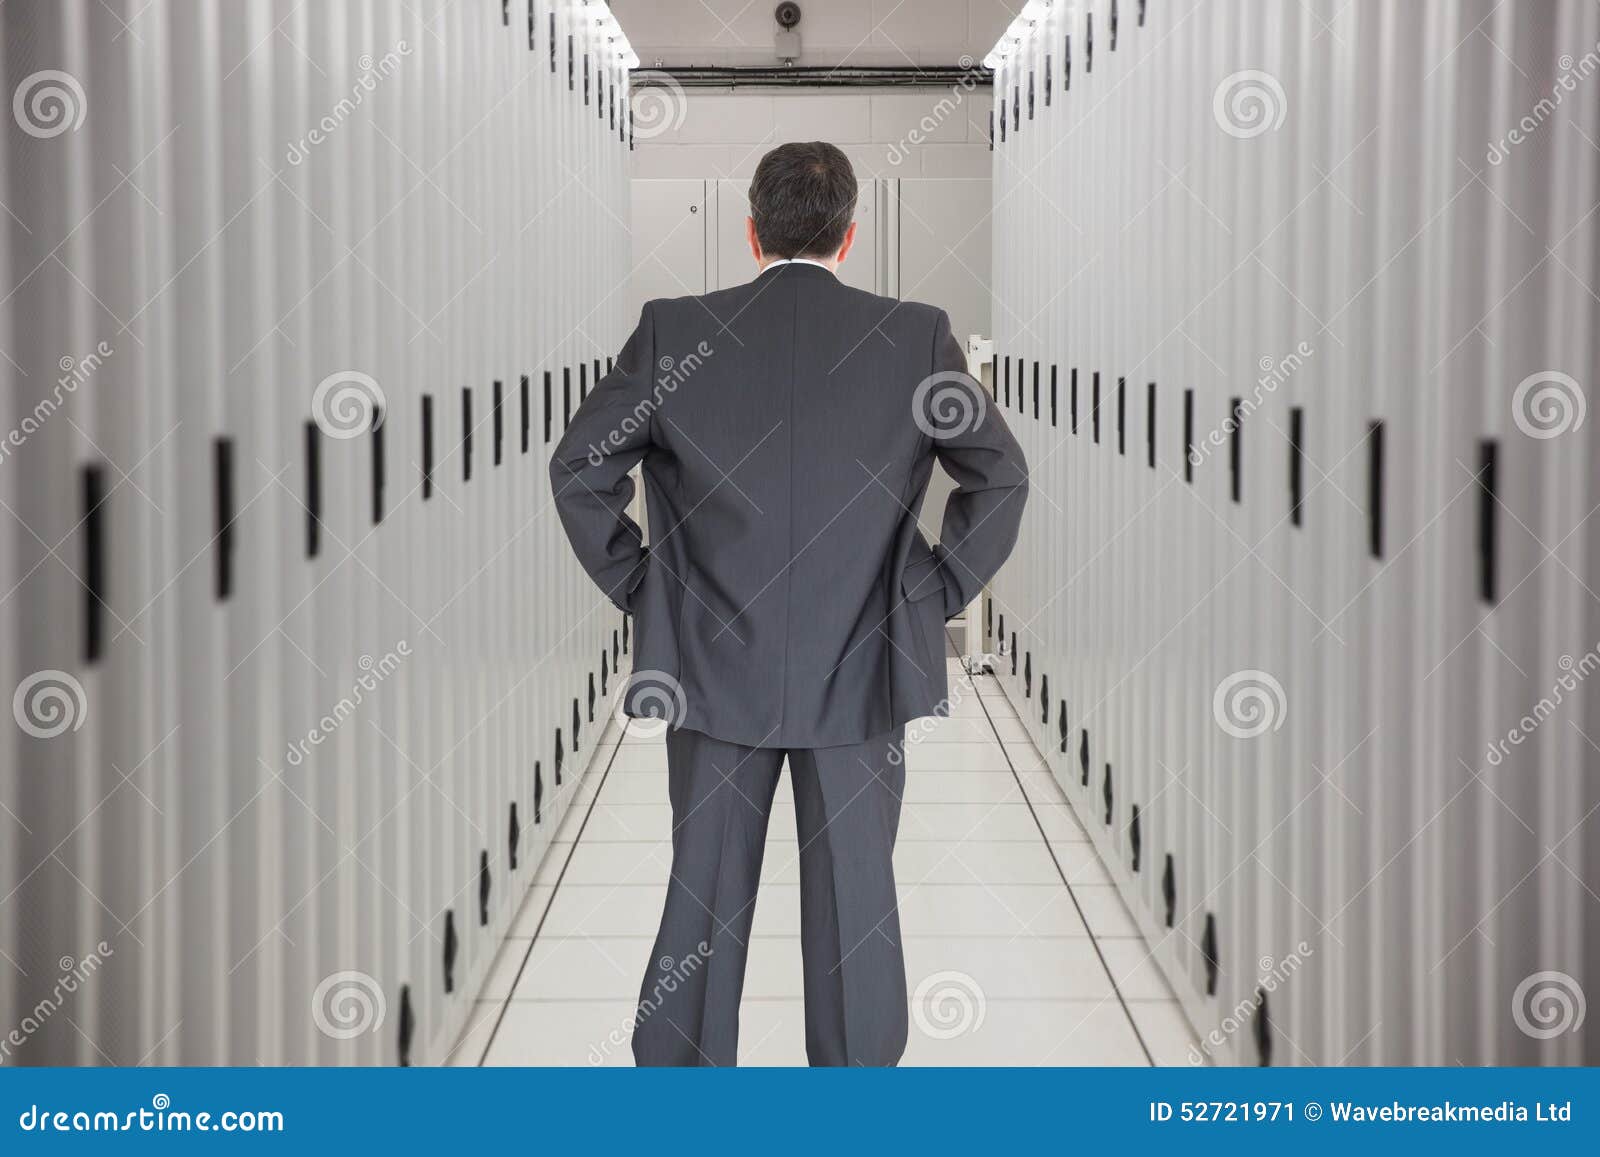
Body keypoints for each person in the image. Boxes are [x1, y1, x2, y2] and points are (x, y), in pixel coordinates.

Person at [550, 141, 1028, 1066]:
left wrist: (645, 587)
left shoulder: (673, 332)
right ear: (850, 237)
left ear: (751, 232)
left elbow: (580, 466)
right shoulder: (915, 336)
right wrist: (931, 594)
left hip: (709, 665)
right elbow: (999, 479)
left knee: (701, 897)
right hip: (861, 672)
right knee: (858, 904)